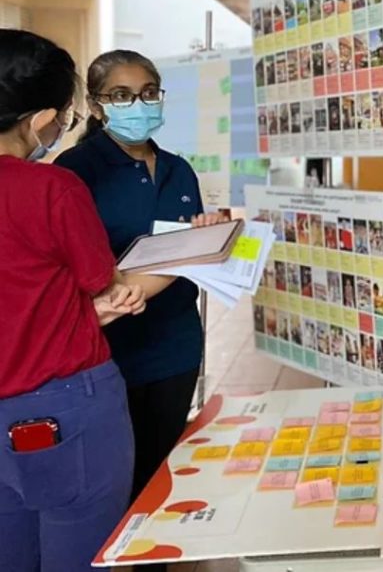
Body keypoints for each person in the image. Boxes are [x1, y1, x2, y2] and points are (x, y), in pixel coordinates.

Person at [54, 50, 225, 564]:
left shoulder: (178, 169)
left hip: (174, 340)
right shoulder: (75, 172)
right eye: (123, 95)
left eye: (149, 92)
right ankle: (118, 555)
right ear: (97, 104)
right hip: (109, 347)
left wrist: (207, 235)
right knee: (113, 473)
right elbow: (67, 265)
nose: (139, 104)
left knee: (164, 461)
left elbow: (190, 248)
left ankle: (159, 554)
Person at [0, 29, 146, 571]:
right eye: (64, 116)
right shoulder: (50, 189)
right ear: (39, 120)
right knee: (79, 553)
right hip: (61, 405)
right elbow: (96, 276)